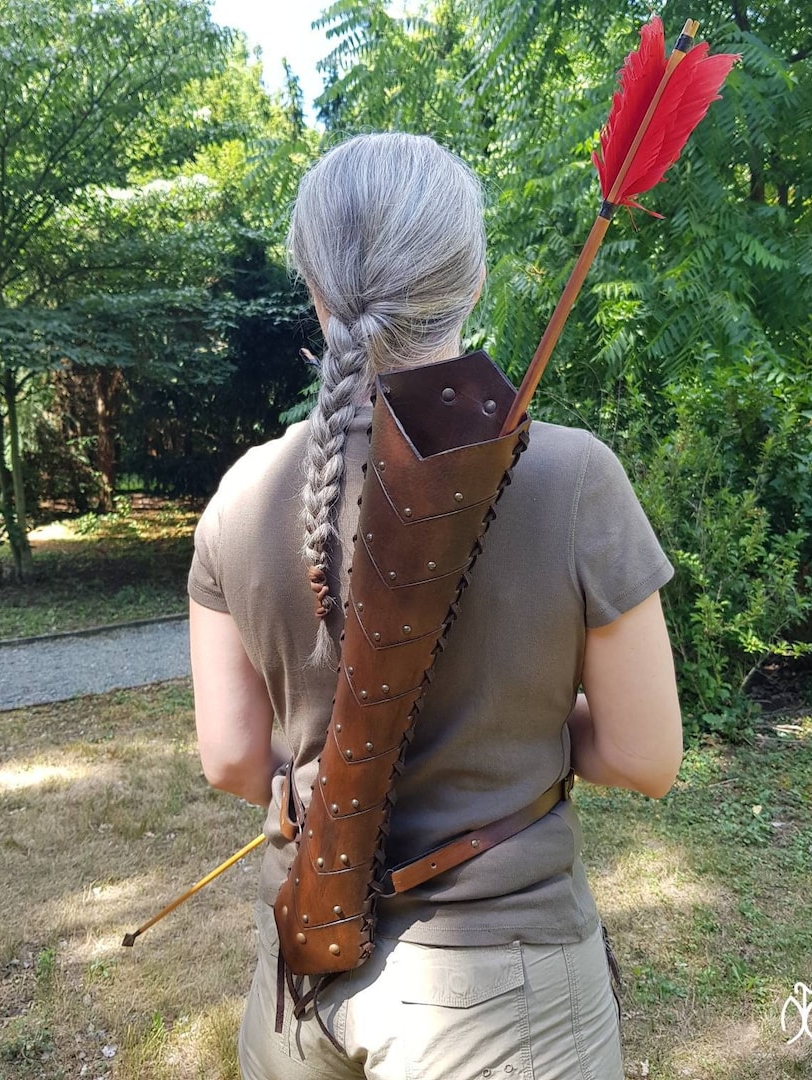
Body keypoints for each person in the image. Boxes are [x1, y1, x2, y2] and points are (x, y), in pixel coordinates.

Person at [187, 132, 682, 1080]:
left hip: (300, 980)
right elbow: (644, 754)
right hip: (501, 1000)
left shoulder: (243, 494)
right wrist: (527, 723)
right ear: (474, 277)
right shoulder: (573, 476)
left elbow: (232, 757)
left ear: (314, 288)